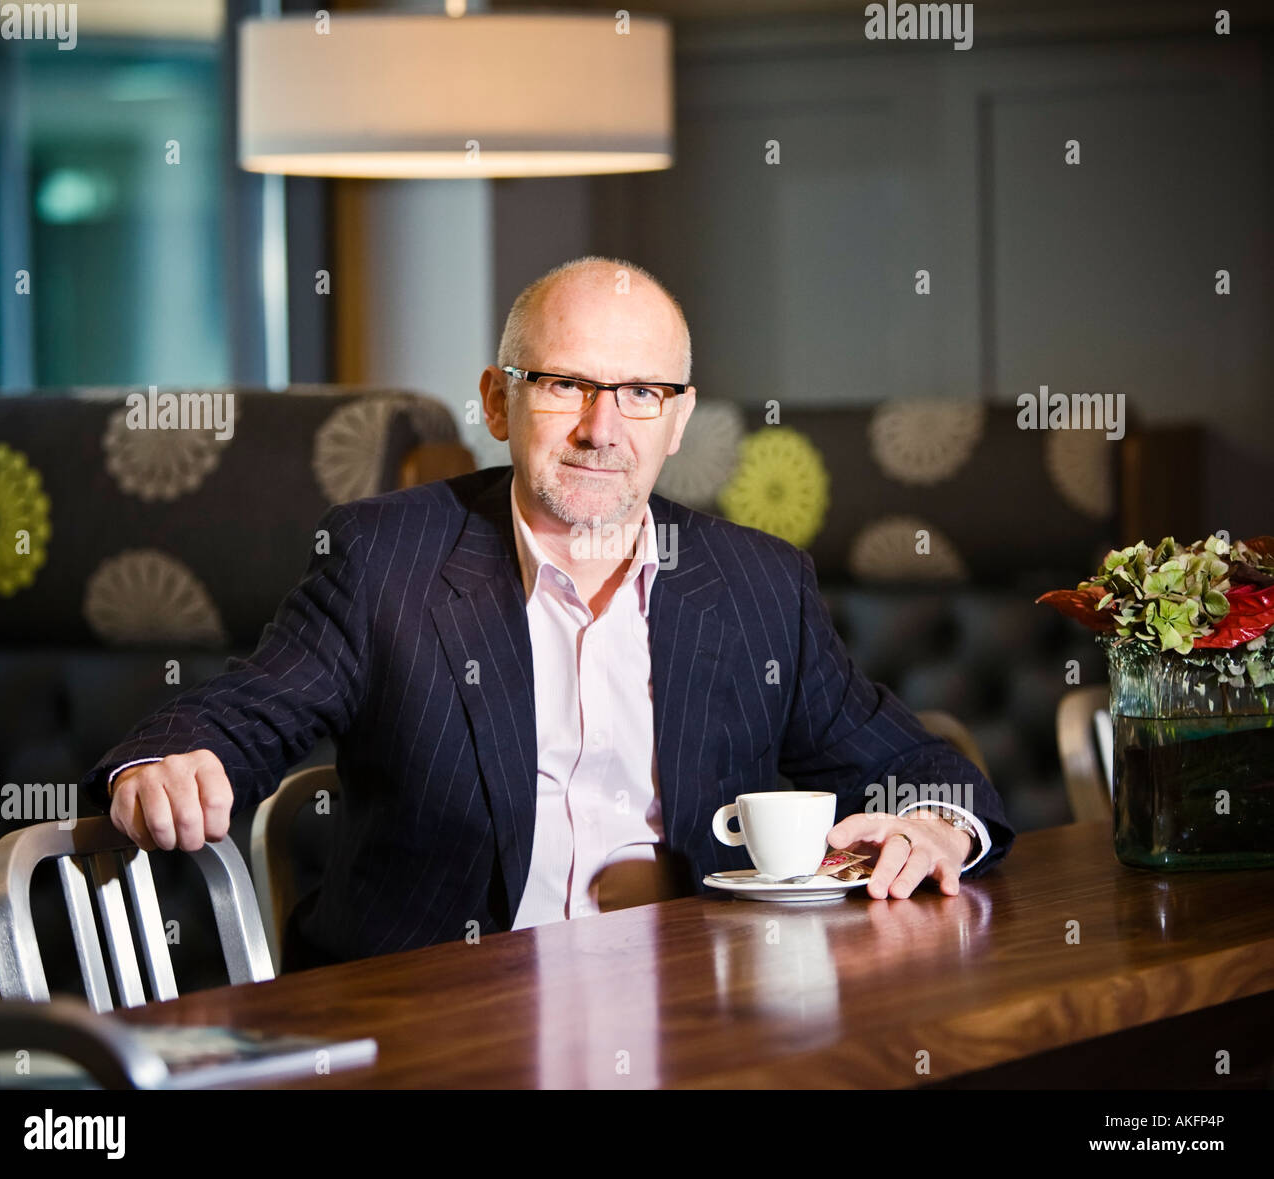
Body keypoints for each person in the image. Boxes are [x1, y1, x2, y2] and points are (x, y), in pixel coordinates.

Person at [83, 255, 1016, 970]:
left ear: (679, 420)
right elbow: (247, 711)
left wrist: (933, 822)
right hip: (437, 1019)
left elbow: (916, 764)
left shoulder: (757, 583)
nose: (601, 428)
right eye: (565, 383)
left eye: (640, 393)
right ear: (498, 398)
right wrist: (168, 760)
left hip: (700, 1016)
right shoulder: (387, 558)